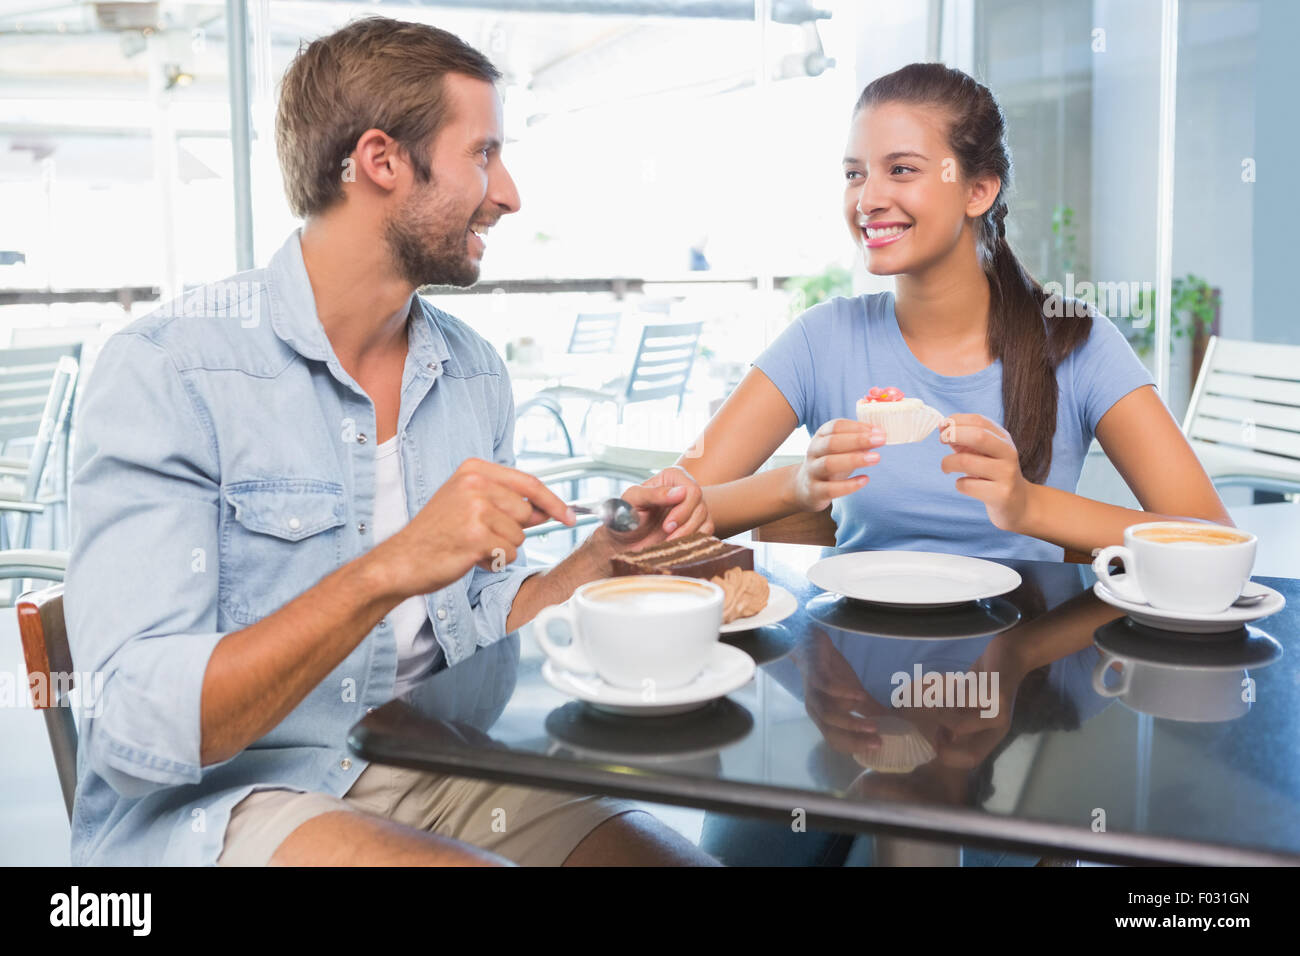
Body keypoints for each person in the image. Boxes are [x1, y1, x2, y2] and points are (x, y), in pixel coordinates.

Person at [65, 16, 714, 867]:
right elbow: (130, 722)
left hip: (435, 763)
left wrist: (597, 562)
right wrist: (387, 567)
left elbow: (478, 629)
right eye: (483, 153)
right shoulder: (168, 373)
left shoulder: (472, 372)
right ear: (382, 161)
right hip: (230, 802)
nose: (509, 191)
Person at [655, 62, 1232, 558]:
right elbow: (669, 516)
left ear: (978, 190)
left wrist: (1029, 505)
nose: (867, 198)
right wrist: (797, 485)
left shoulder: (1078, 341)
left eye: (901, 169)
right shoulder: (822, 339)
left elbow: (1210, 537)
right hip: (857, 666)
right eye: (854, 173)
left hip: (1023, 671)